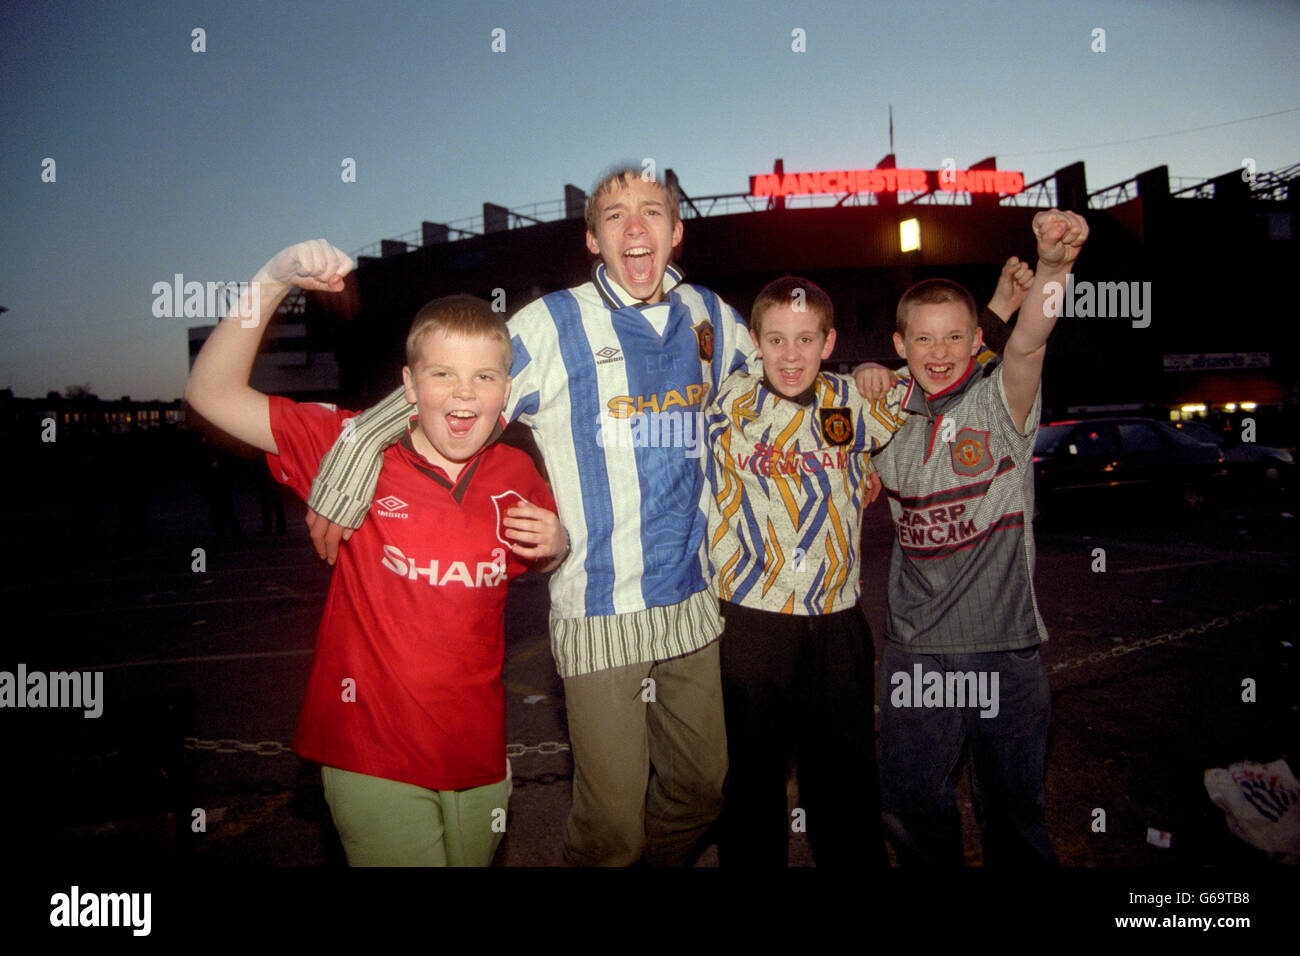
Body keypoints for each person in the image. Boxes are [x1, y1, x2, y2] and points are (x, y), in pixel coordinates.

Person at [301, 169, 760, 865]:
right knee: (612, 831)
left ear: (676, 231)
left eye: (651, 213)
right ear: (592, 239)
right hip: (598, 609)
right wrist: (360, 444)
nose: (635, 228)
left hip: (692, 603)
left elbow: (773, 396)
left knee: (702, 791)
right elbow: (457, 380)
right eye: (615, 216)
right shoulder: (554, 324)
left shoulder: (712, 318)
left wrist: (864, 394)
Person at [185, 240, 565, 866]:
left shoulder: (517, 470)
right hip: (370, 750)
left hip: (478, 755)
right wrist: (275, 276)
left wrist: (557, 544)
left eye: (484, 376)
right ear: (409, 384)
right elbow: (212, 392)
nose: (463, 394)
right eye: (442, 373)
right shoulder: (350, 446)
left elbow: (541, 554)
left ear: (506, 390)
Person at [870, 210, 1089, 866]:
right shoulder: (881, 420)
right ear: (900, 345)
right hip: (918, 660)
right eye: (924, 340)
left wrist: (1054, 269)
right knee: (913, 817)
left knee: (1017, 821)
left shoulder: (1001, 407)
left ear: (976, 344)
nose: (940, 353)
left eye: (955, 339)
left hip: (1008, 655)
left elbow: (1029, 343)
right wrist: (863, 379)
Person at [707, 276, 906, 866]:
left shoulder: (855, 399)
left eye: (804, 340)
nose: (789, 355)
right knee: (751, 773)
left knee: (844, 772)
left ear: (828, 341)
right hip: (750, 620)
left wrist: (881, 370)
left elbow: (946, 362)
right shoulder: (724, 403)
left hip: (836, 620)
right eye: (775, 340)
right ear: (754, 341)